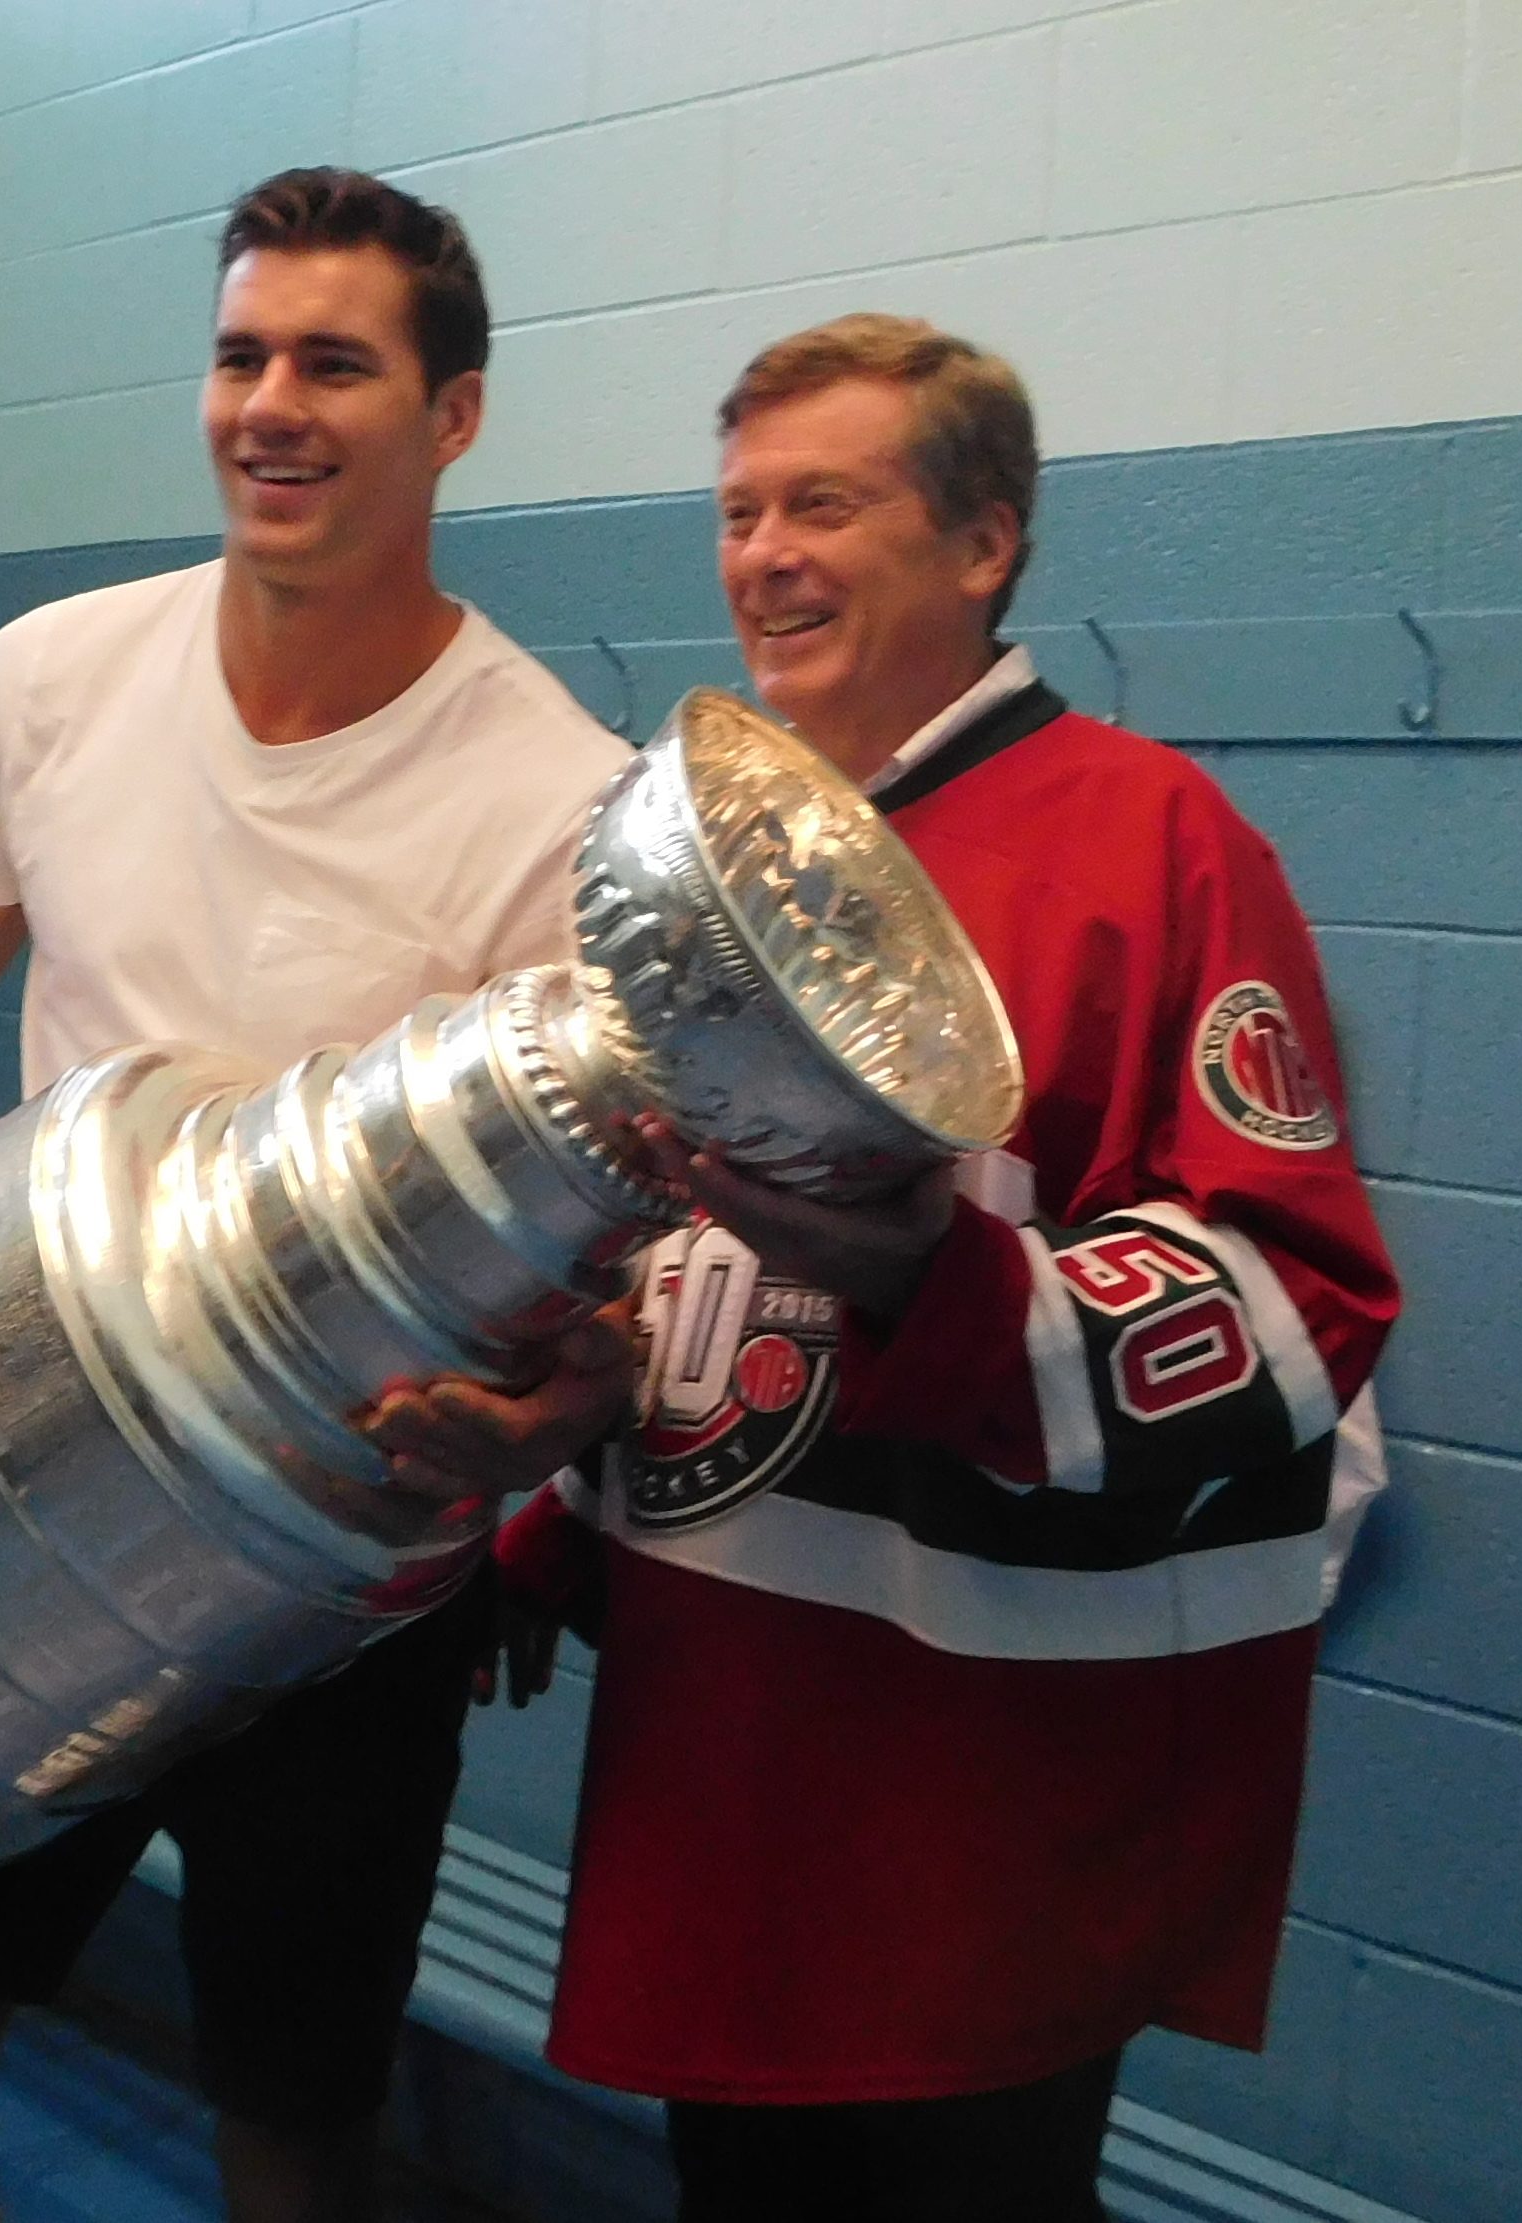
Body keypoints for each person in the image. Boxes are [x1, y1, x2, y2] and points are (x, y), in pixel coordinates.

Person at [0, 168, 634, 2223]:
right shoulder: (52, 673)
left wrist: (546, 1423)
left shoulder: (558, 798)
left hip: (338, 1559)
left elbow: (594, 1228)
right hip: (18, 1499)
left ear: (452, 416)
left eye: (335, 363)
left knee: (287, 2136)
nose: (270, 403)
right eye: (241, 354)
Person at [481, 315, 1404, 2222]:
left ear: (985, 544)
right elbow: (661, 1257)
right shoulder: (696, 858)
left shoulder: (1155, 841)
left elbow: (1296, 1299)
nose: (763, 554)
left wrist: (938, 1283)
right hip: (720, 1751)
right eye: (738, 512)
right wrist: (557, 1494)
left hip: (979, 1806)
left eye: (825, 502)